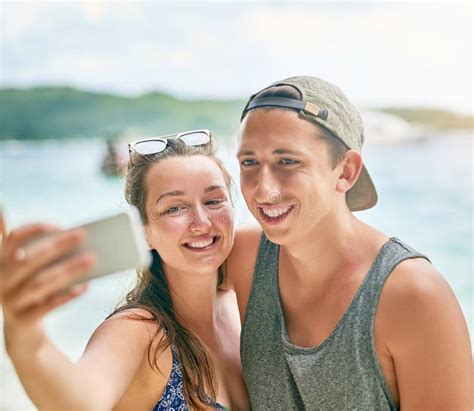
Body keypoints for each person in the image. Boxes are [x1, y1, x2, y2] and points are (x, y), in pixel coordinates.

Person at [226, 76, 473, 410]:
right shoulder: (242, 257)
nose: (262, 189)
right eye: (249, 162)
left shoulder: (412, 295)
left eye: (288, 161)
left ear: (345, 171)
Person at [0, 130, 249, 410]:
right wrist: (26, 337)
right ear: (144, 233)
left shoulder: (241, 306)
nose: (202, 222)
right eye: (175, 208)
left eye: (213, 201)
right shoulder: (139, 331)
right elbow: (81, 401)